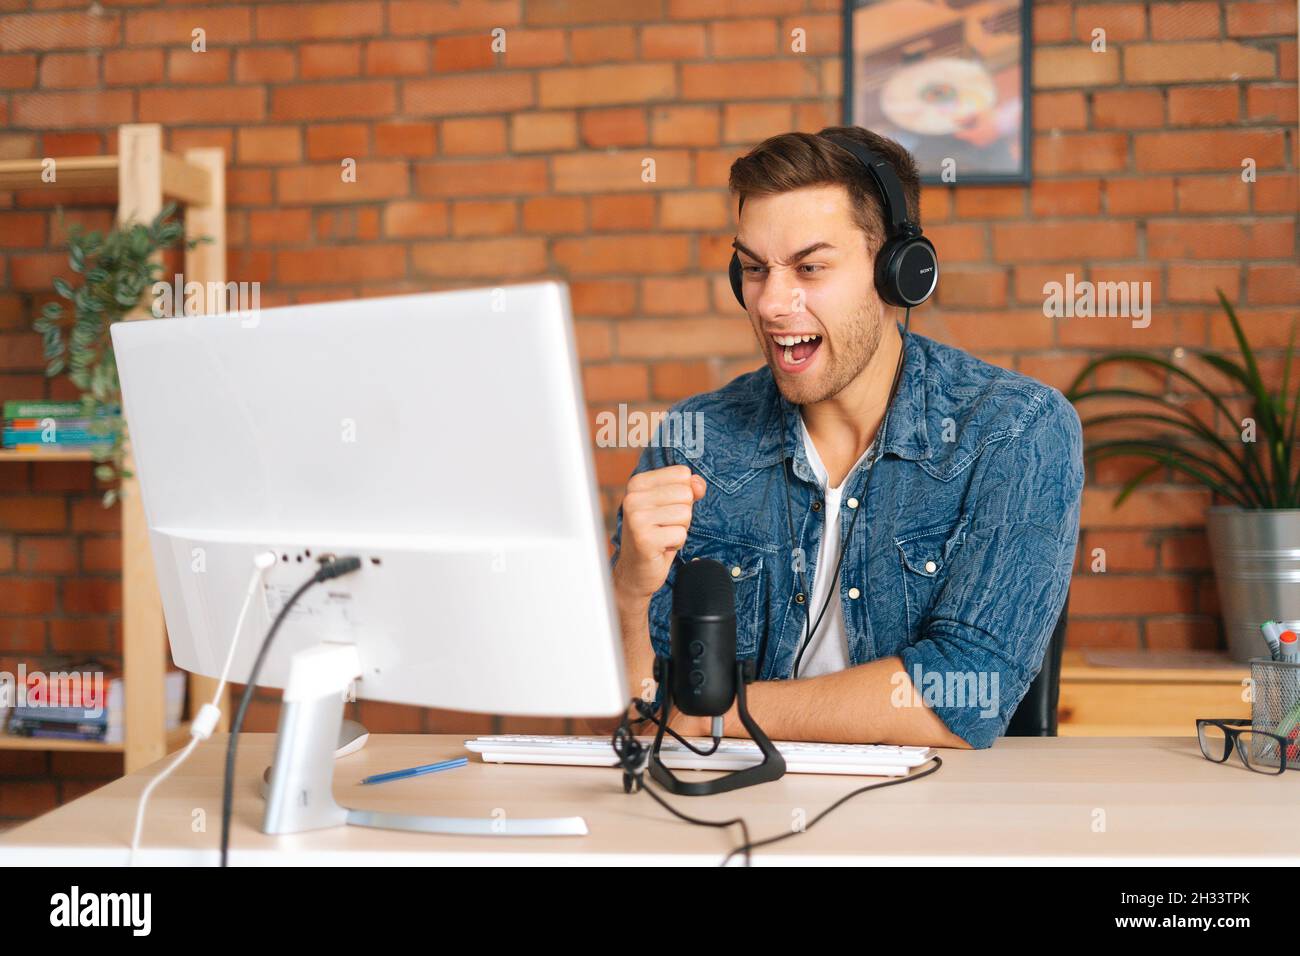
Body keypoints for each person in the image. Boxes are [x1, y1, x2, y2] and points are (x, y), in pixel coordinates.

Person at [607, 126, 1082, 749]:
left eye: (810, 267)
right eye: (754, 269)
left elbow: (966, 692)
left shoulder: (1015, 432)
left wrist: (714, 713)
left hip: (926, 828)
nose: (773, 304)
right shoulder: (693, 444)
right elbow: (641, 720)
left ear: (898, 275)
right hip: (734, 817)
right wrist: (627, 594)